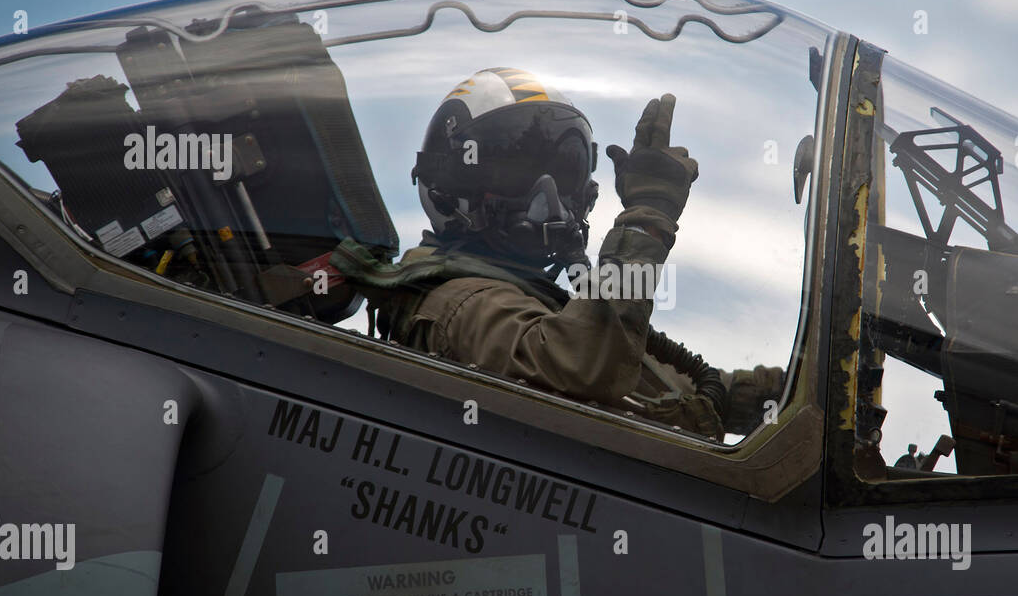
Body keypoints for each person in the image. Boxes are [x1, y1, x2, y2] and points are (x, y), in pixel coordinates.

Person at [332, 67, 782, 440]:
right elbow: (584, 365)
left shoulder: (538, 304)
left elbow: (666, 386)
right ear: (451, 188)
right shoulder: (458, 305)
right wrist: (645, 221)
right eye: (515, 171)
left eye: (561, 172)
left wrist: (793, 390)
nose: (546, 195)